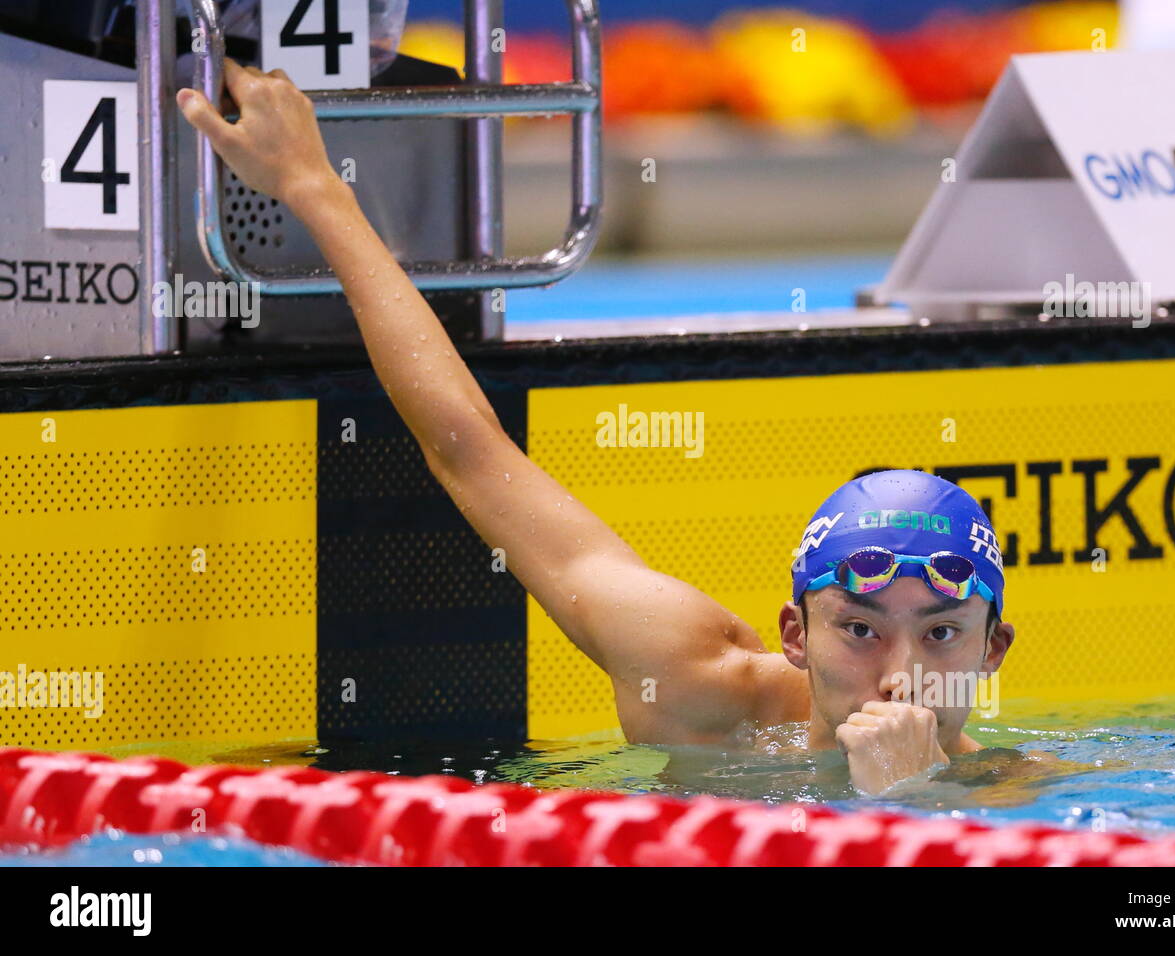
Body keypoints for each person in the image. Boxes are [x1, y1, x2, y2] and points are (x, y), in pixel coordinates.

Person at [177, 60, 1016, 796]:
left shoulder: (1018, 803)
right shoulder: (696, 687)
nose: (899, 681)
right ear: (796, 634)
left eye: (941, 634)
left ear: (992, 652)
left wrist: (917, 802)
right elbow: (469, 448)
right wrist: (316, 186)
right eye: (860, 630)